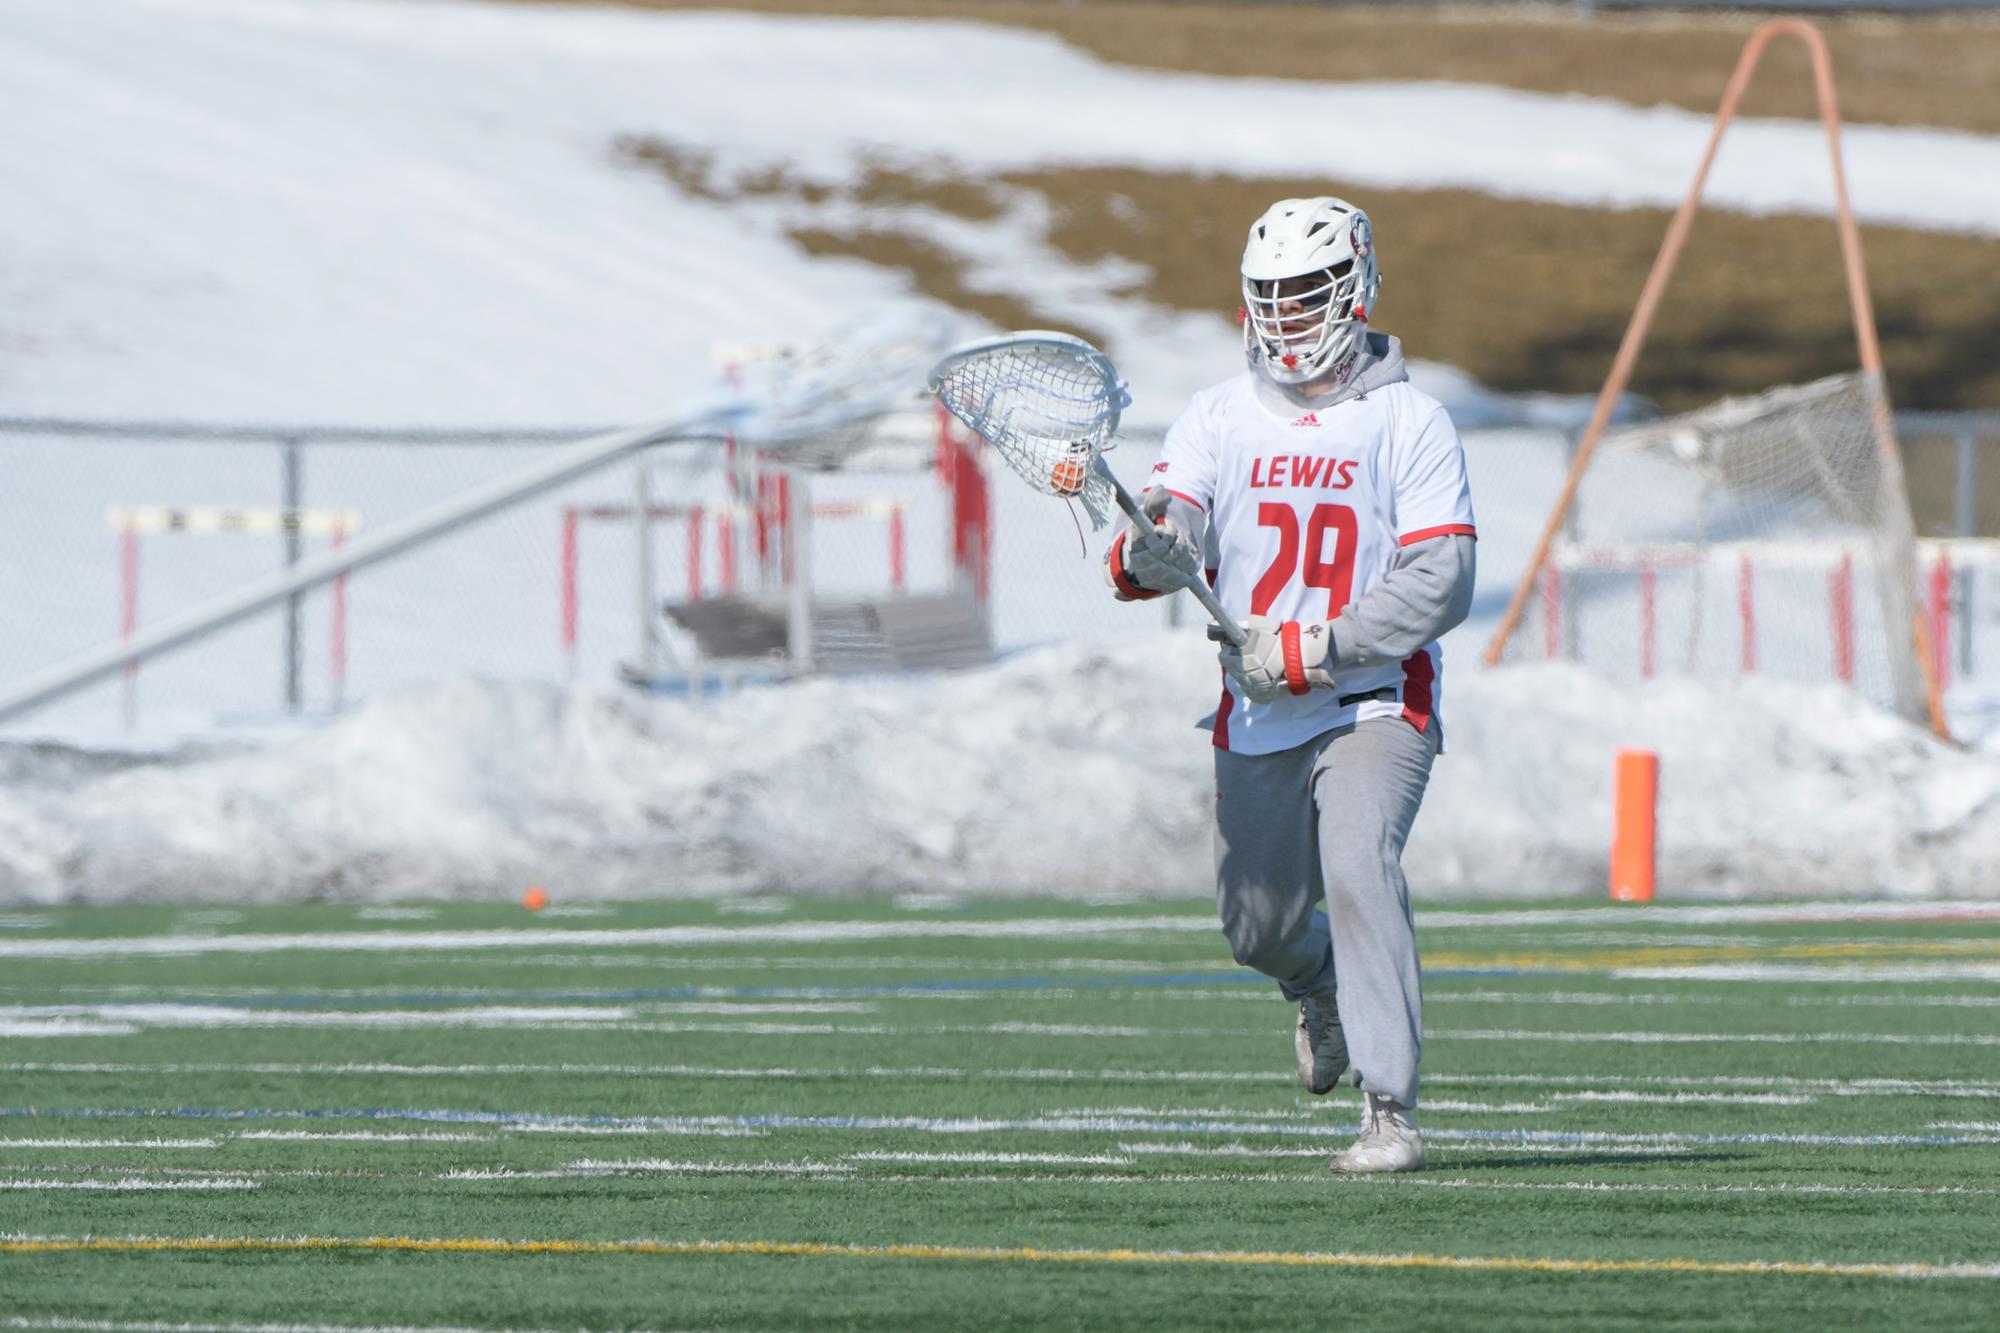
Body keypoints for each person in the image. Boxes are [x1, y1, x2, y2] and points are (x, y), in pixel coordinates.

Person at [1103, 196, 1475, 1174]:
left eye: (1305, 294)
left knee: (1358, 867)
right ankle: (1311, 982)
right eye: (1268, 297)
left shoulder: (1409, 420)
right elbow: (1171, 521)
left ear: (1352, 290)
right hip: (1256, 706)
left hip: (1372, 696)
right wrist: (1151, 550)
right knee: (1254, 928)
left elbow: (1441, 581)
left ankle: (1387, 1108)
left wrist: (1312, 649)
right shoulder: (1215, 415)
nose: (1285, 317)